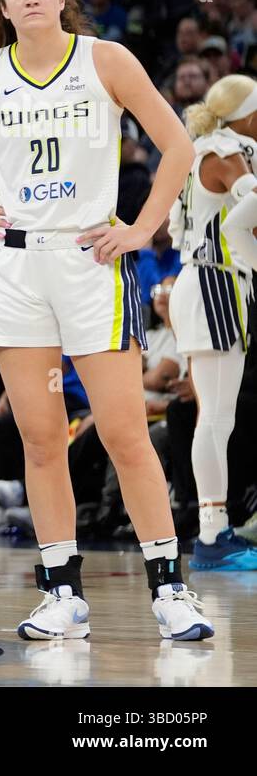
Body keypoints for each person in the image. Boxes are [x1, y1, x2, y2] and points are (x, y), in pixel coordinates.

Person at [0, 0, 213, 641]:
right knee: (38, 437)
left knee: (122, 430)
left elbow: (177, 145)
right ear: (2, 8)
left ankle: (171, 589)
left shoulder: (106, 60)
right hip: (15, 266)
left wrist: (144, 229)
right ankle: (62, 593)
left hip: (93, 260)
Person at [168, 74, 257, 570]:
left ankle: (214, 531)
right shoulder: (227, 153)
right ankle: (210, 537)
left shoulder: (202, 148)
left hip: (199, 281)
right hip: (215, 284)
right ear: (247, 114)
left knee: (216, 417)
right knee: (217, 418)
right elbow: (253, 208)